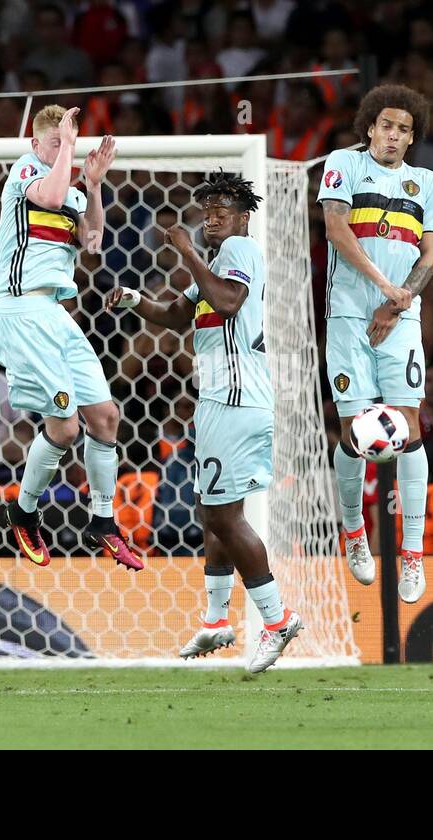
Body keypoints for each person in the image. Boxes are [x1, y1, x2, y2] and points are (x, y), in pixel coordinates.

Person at [107, 171, 301, 673]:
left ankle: (278, 622)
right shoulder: (218, 265)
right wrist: (134, 300)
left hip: (235, 399)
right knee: (211, 508)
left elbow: (228, 302)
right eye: (207, 208)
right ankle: (216, 620)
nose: (212, 216)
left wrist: (186, 251)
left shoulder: (237, 252)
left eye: (223, 209)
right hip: (222, 399)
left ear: (243, 218)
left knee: (223, 517)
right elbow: (177, 314)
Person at [0, 105, 143, 571]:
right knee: (65, 427)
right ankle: (25, 511)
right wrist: (70, 150)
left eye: (65, 142)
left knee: (106, 416)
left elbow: (92, 241)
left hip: (54, 312)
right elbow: (51, 199)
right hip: (19, 311)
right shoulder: (26, 172)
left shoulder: (70, 188)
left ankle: (102, 521)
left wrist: (93, 185)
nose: (62, 150)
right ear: (37, 145)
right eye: (54, 142)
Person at [318, 84, 433, 604]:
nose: (393, 135)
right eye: (386, 125)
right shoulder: (343, 166)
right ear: (370, 127)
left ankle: (412, 553)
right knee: (354, 430)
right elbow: (335, 230)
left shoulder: (428, 183)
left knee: (409, 427)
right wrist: (383, 287)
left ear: (412, 140)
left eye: (404, 130)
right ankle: (354, 534)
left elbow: (432, 254)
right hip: (349, 316)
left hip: (401, 320)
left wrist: (397, 302)